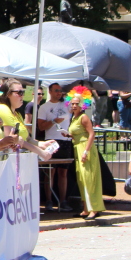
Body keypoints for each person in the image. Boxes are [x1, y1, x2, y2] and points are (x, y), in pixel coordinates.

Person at [37, 79, 74, 211]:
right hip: (51, 141)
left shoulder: (67, 104)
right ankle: (48, 200)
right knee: (50, 172)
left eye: (60, 91)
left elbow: (81, 106)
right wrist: (53, 121)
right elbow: (41, 127)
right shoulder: (44, 107)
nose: (59, 93)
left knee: (63, 172)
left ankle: (63, 200)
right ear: (50, 92)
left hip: (65, 141)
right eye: (56, 91)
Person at [67, 88, 104, 220]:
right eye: (72, 103)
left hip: (84, 148)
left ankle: (94, 208)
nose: (74, 105)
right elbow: (77, 133)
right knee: (81, 179)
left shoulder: (83, 117)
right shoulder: (74, 117)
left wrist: (86, 151)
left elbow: (91, 134)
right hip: (77, 147)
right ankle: (85, 209)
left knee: (89, 178)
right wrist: (69, 135)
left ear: (82, 104)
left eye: (77, 103)